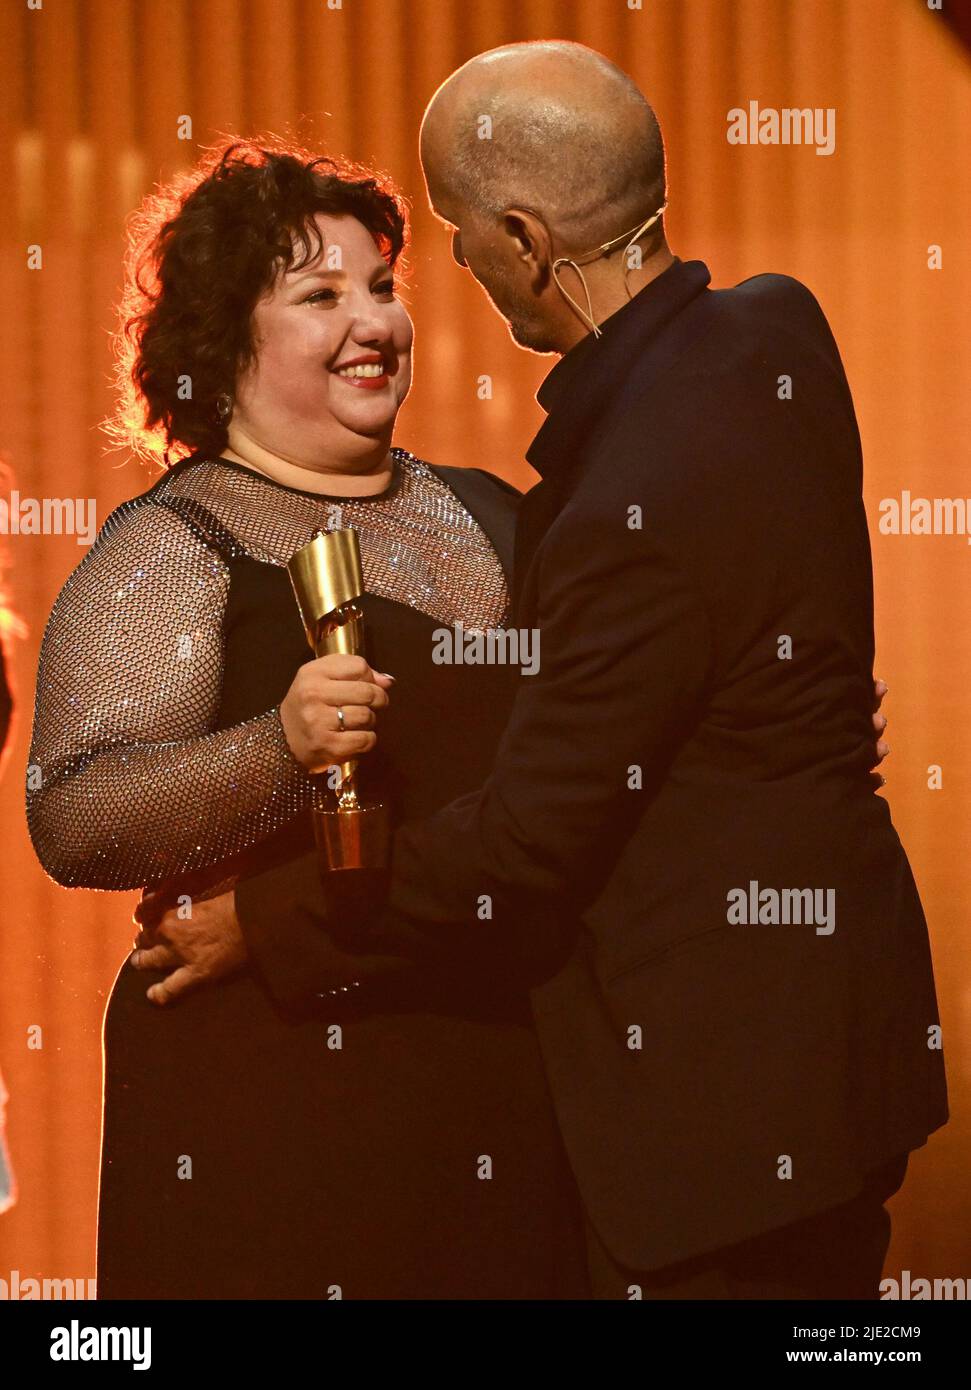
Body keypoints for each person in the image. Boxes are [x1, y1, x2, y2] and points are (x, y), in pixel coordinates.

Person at [157, 42, 945, 1300]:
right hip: (839, 1060)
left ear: (525, 239)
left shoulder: (629, 500)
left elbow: (527, 847)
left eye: (458, 244)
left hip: (714, 1131)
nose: (452, 280)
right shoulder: (776, 333)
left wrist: (264, 921)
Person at [25, 139, 587, 1299]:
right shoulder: (168, 548)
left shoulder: (496, 515)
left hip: (490, 1071)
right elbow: (75, 819)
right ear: (227, 340)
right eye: (319, 295)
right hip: (265, 1103)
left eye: (380, 285)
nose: (371, 319)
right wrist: (273, 749)